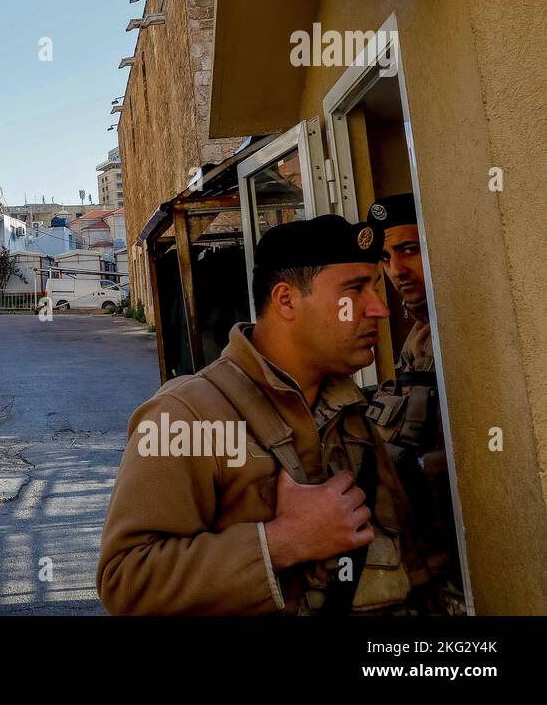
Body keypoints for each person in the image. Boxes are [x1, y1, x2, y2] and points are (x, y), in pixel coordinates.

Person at [97, 214, 433, 615]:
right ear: (286, 300)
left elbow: (410, 562)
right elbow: (126, 580)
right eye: (355, 290)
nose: (379, 309)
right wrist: (280, 542)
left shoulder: (353, 412)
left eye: (374, 288)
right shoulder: (186, 415)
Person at [366, 193, 465, 614]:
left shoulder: (455, 329)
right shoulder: (420, 335)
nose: (397, 271)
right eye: (387, 258)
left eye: (409, 250)